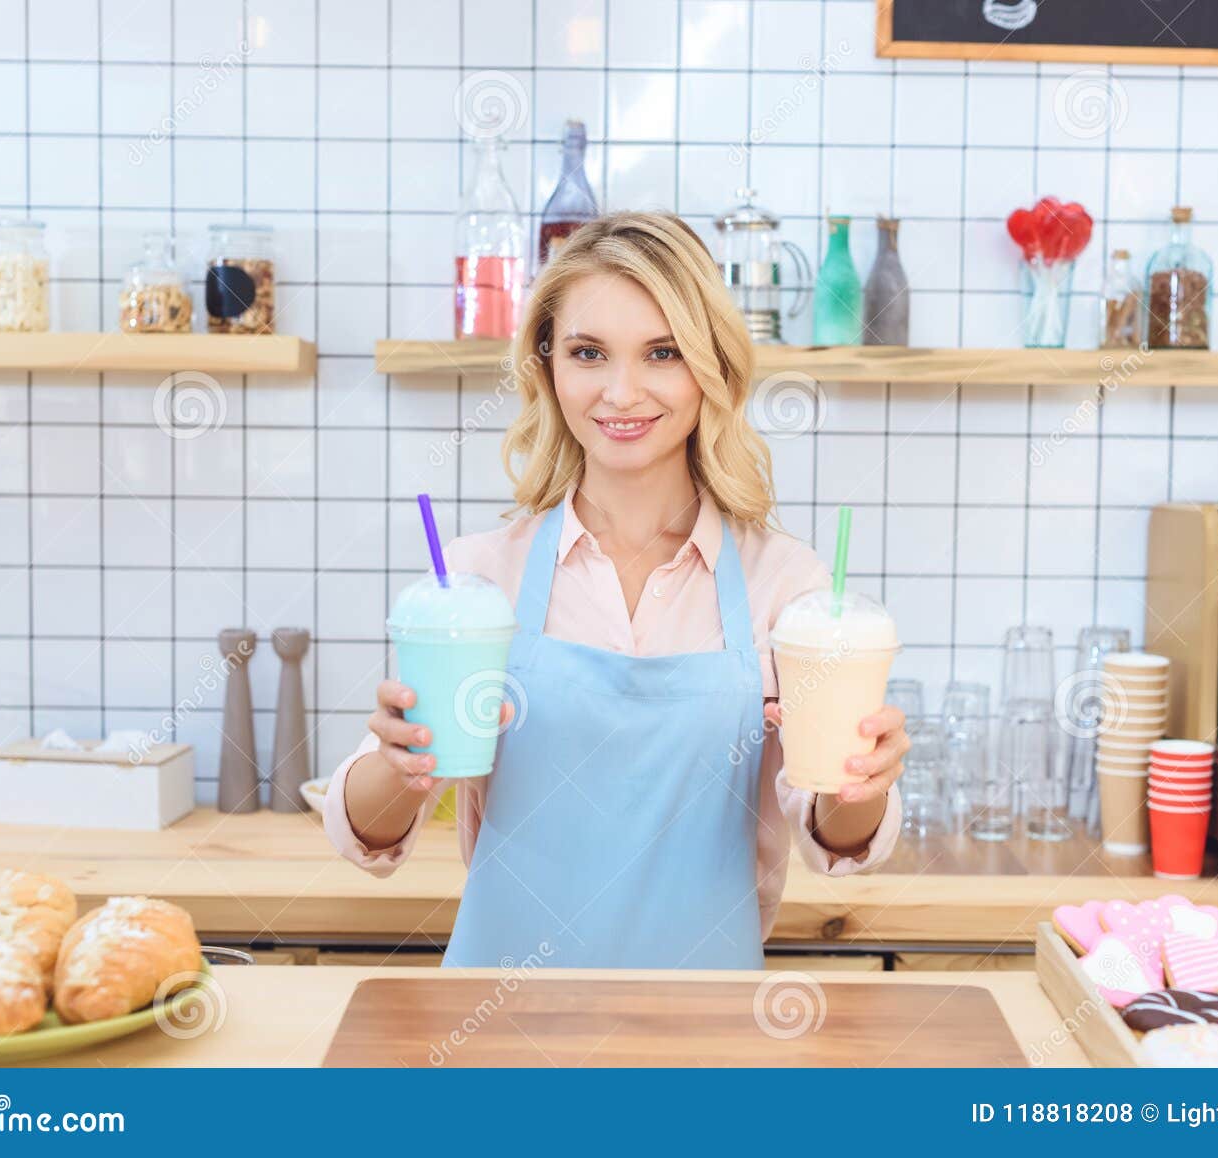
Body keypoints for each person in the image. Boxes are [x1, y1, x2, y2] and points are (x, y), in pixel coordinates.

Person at [324, 212, 907, 968]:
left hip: (704, 1024)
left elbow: (835, 844)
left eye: (662, 353)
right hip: (502, 1020)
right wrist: (400, 766)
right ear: (548, 367)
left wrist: (862, 785)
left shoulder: (785, 587)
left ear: (711, 366)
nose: (621, 392)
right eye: (588, 353)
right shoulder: (475, 583)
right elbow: (368, 839)